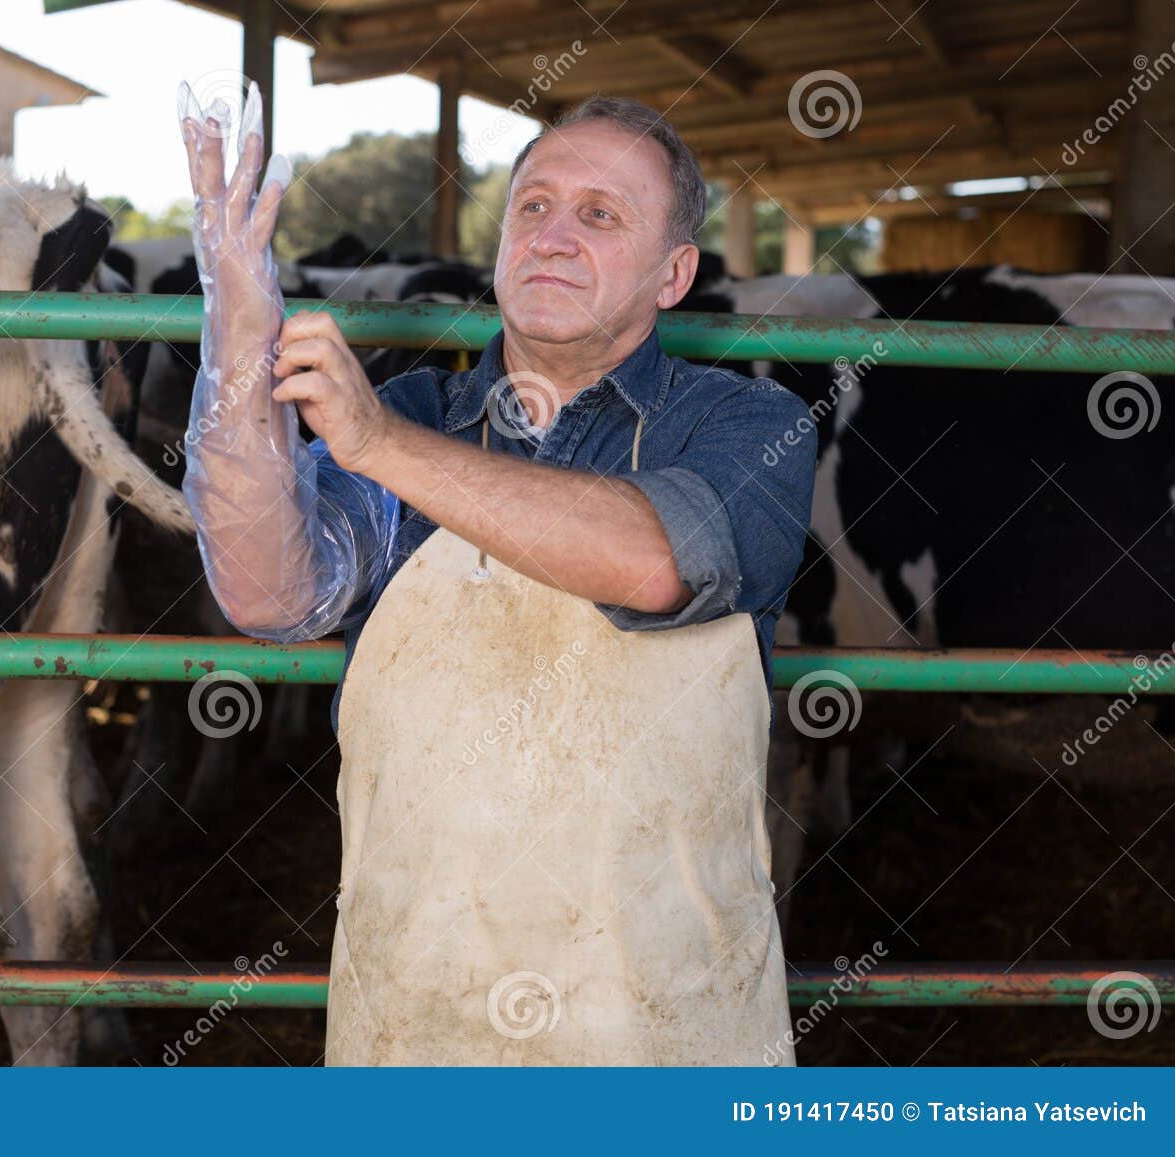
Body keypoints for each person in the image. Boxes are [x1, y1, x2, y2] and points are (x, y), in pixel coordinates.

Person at [177, 81, 817, 1065]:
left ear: (672, 273)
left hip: (663, 1021)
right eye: (533, 206)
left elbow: (654, 560)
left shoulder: (746, 424)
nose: (553, 236)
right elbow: (270, 595)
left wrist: (380, 442)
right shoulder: (417, 406)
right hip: (419, 1012)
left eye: (601, 216)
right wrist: (235, 341)